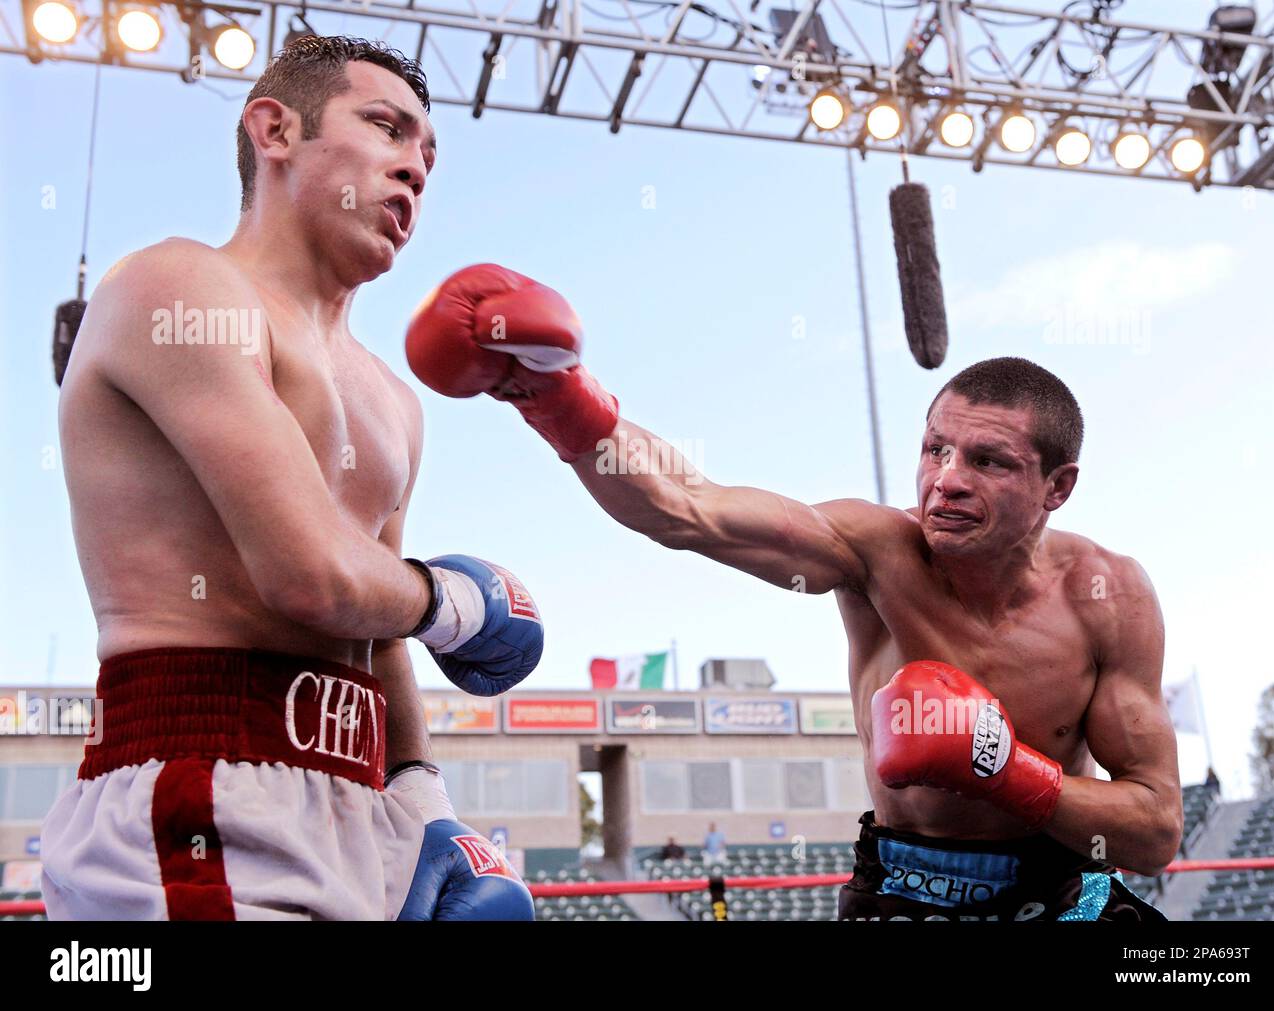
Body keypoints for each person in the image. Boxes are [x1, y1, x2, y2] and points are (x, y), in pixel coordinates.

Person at [406, 266, 1182, 921]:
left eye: (988, 461)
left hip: (1066, 891)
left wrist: (1008, 769)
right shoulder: (877, 551)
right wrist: (554, 394)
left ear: (1058, 486)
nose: (946, 480)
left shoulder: (1107, 597)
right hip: (904, 891)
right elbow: (689, 508)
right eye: (935, 447)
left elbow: (1153, 831)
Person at [40, 37, 539, 921]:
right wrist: (461, 600)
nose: (414, 168)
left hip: (356, 803)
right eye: (386, 128)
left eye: (427, 155)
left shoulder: (393, 399)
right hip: (197, 782)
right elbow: (310, 574)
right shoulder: (179, 287)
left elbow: (377, 629)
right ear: (274, 129)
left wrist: (426, 808)